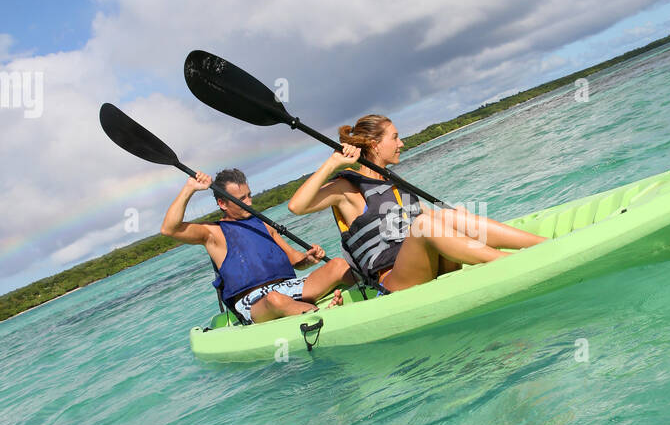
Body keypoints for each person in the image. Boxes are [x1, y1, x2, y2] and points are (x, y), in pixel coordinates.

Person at [288, 116, 546, 293]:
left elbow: (433, 220)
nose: (402, 143)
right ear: (376, 145)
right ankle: (506, 262)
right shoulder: (348, 188)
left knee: (446, 217)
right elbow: (296, 207)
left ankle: (541, 245)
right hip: (392, 280)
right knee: (425, 224)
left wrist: (457, 216)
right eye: (395, 138)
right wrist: (333, 164)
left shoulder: (395, 184)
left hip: (428, 266)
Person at [161, 168, 352, 321]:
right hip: (256, 303)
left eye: (249, 195)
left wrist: (309, 258)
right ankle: (322, 315)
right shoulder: (213, 233)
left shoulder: (264, 224)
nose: (249, 202)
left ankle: (376, 294)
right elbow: (169, 229)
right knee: (275, 300)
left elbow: (296, 260)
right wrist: (190, 188)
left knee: (339, 265)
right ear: (223, 203)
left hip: (289, 286)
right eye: (242, 199)